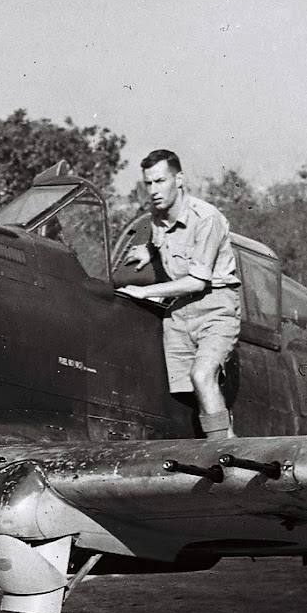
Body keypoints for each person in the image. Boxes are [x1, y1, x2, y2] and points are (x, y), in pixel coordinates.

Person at [116, 149, 241, 439]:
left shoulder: (207, 218)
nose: (154, 190)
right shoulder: (156, 219)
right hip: (179, 314)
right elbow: (165, 243)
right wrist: (148, 252)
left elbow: (197, 280)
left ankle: (225, 449)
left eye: (160, 181)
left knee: (202, 376)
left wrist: (146, 292)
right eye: (148, 184)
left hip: (215, 309)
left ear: (180, 179)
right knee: (189, 393)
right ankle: (218, 444)